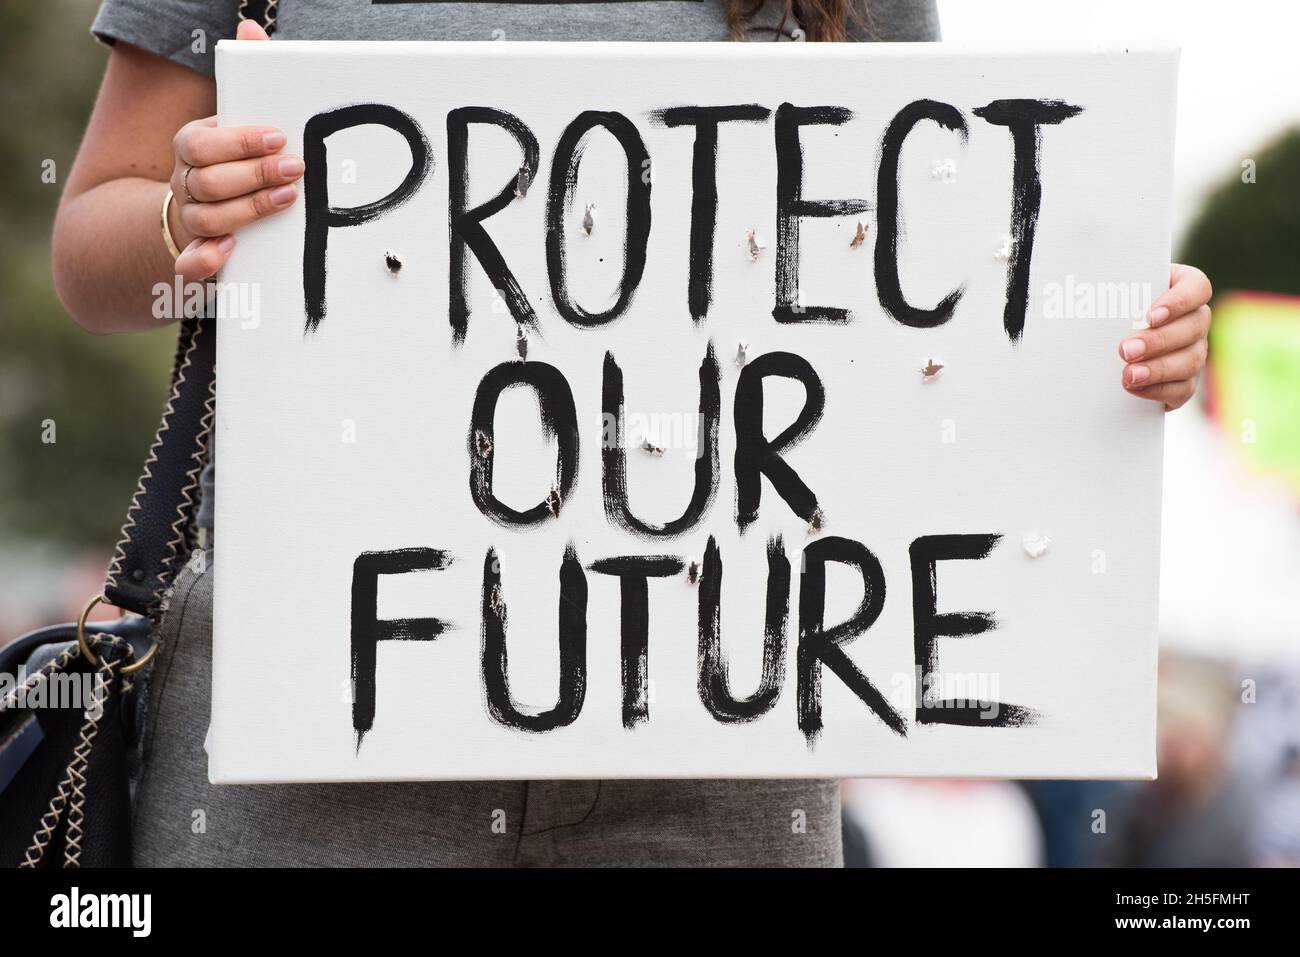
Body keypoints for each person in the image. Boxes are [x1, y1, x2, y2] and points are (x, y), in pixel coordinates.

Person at [52, 0, 1212, 867]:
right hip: (303, 747)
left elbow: (933, 267)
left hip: (719, 770)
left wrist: (1113, 339)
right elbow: (91, 253)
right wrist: (179, 220)